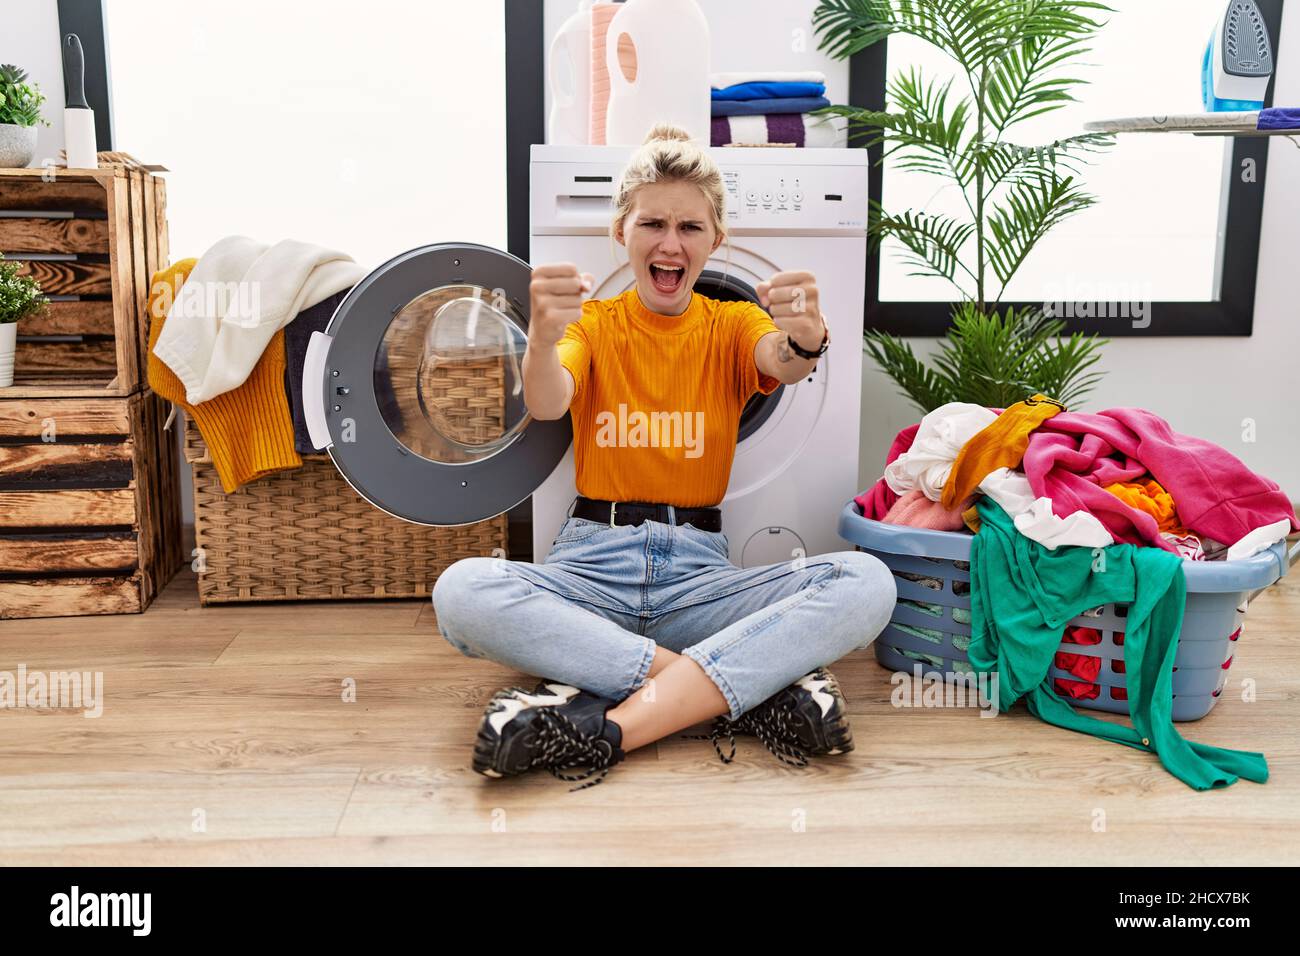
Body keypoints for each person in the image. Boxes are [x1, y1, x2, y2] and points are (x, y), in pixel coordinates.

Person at [432, 123, 896, 790]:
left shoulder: (732, 324)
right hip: (590, 570)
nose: (671, 243)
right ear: (621, 230)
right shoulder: (593, 324)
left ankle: (609, 725)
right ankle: (744, 691)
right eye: (652, 223)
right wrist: (540, 340)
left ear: (717, 239)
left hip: (699, 581)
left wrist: (808, 337)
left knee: (868, 583)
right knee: (463, 592)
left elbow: (782, 362)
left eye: (691, 227)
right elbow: (547, 400)